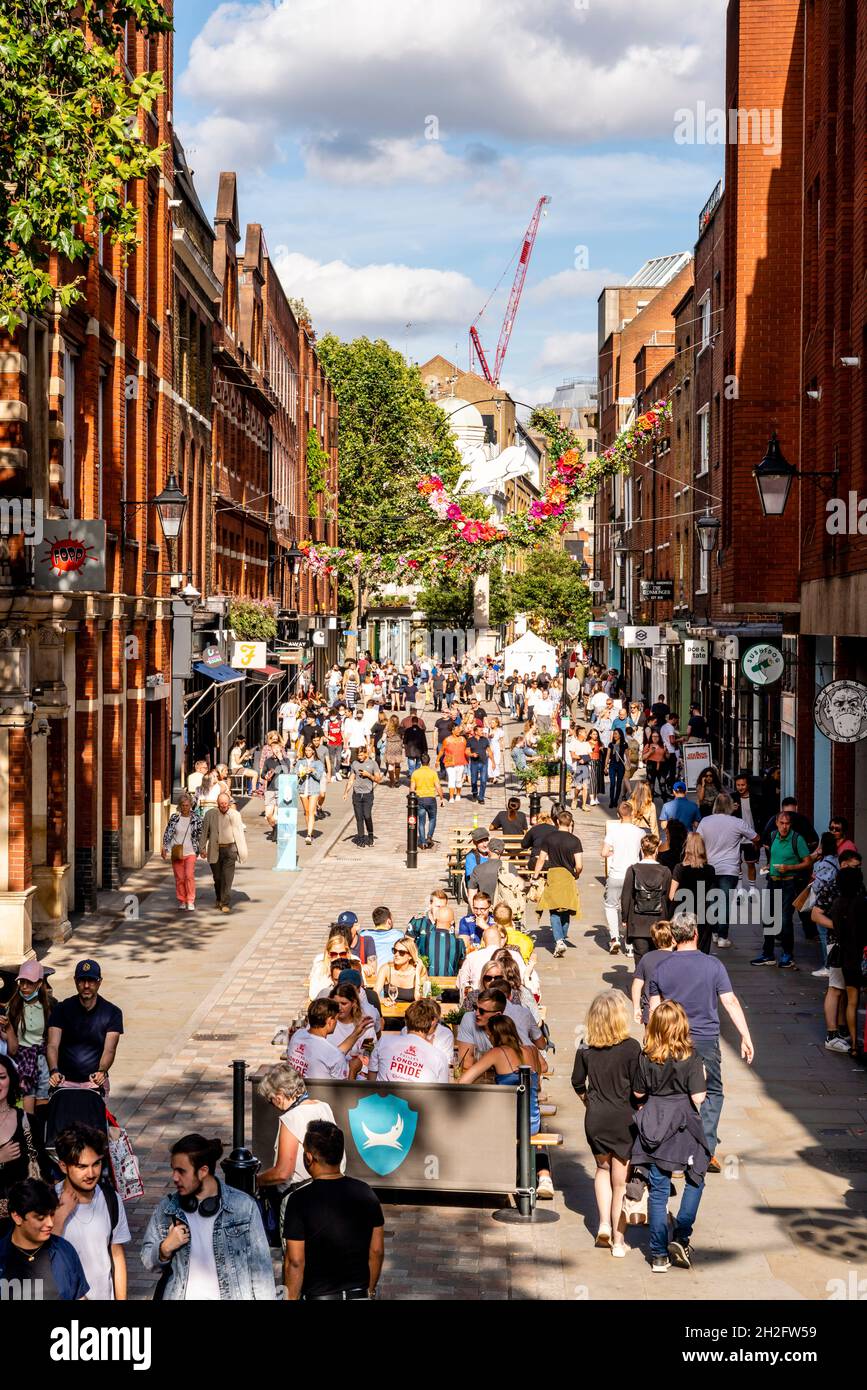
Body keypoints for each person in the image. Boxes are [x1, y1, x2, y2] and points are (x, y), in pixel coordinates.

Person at [649, 912, 755, 1171]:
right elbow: (729, 1001)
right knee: (712, 1092)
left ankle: (672, 1150)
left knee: (674, 1092)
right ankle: (704, 1151)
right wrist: (745, 1035)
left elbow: (653, 1011)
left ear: (673, 937)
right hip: (706, 1039)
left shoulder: (660, 968)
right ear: (696, 934)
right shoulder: (713, 966)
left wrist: (651, 1043)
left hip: (672, 1039)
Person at [141, 1134, 274, 1300]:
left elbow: (262, 1272)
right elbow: (147, 1260)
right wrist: (165, 1248)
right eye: (173, 1170)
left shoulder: (243, 1207)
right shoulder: (168, 1209)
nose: (174, 1177)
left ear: (203, 1171)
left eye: (181, 1171)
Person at [632, 1002, 709, 1273]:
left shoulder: (646, 1056)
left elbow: (639, 1094)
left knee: (658, 1189)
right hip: (683, 1123)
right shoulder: (691, 1056)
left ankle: (658, 1255)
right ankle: (682, 1235)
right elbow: (698, 1097)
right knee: (696, 1176)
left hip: (654, 1121)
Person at [571, 991, 641, 1254]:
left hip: (596, 1118)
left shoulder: (585, 1046)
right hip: (624, 1119)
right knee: (620, 1182)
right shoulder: (632, 1047)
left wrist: (589, 1102)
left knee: (601, 1170)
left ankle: (602, 1225)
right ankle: (619, 1240)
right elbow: (639, 1087)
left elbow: (577, 1082)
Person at [283, 1121, 384, 1301]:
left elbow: (295, 1261)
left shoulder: (299, 1200)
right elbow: (376, 1251)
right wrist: (369, 1291)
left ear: (308, 1157)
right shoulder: (366, 1192)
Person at [256, 1065, 343, 1227]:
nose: (272, 1105)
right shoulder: (324, 1107)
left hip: (301, 1198)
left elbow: (283, 1172)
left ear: (280, 1096)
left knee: (295, 1251)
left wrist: (257, 1180)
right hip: (333, 1193)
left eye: (270, 1100)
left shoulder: (291, 1118)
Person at [52, 1124, 129, 1300]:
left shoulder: (111, 1199)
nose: (91, 1173)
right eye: (81, 1166)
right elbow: (41, 1256)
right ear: (63, 1166)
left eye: (96, 1164)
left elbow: (117, 1255)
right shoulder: (48, 1201)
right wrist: (61, 1215)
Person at [812, 858, 867, 1058]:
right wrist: (840, 927)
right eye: (853, 867)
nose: (856, 871)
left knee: (844, 991)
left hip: (851, 947)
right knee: (836, 989)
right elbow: (816, 915)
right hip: (839, 946)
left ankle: (843, 1031)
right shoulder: (833, 890)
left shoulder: (858, 890)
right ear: (843, 866)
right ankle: (832, 1034)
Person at [0, 1177, 89, 1299]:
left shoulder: (64, 1250)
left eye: (52, 1215)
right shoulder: (2, 1255)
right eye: (41, 1218)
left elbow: (79, 1296)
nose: (50, 1223)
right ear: (17, 1217)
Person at [46, 959, 123, 1094]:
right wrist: (54, 1070)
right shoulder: (61, 1009)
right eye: (82, 980)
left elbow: (110, 1049)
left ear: (99, 982)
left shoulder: (112, 1013)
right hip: (64, 1082)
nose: (86, 985)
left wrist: (102, 1071)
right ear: (75, 981)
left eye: (91, 980)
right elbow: (52, 1044)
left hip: (94, 1082)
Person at [696, 793, 760, 947]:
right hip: (729, 868)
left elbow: (697, 840)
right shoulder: (737, 822)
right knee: (724, 901)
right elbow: (756, 837)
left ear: (715, 805)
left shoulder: (705, 821)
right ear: (731, 806)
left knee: (712, 901)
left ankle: (714, 932)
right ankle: (723, 937)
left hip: (709, 867)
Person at [752, 809, 814, 968]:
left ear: (790, 825)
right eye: (782, 823)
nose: (784, 827)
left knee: (785, 920)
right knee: (768, 918)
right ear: (776, 823)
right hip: (773, 881)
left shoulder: (797, 839)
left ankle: (788, 955)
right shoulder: (773, 836)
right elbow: (773, 855)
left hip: (788, 882)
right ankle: (768, 954)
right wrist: (770, 866)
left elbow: (807, 861)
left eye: (787, 824)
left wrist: (790, 867)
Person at [0, 1053, 48, 1229]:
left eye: (2, 1077)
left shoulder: (27, 1122)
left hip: (22, 1222)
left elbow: (42, 1168)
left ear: (11, 1080)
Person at [2, 959, 54, 1119]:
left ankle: (41, 1140)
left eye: (29, 983)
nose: (24, 987)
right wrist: (7, 1028)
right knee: (27, 1109)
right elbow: (9, 1041)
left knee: (44, 1105)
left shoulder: (48, 1007)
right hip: (22, 1060)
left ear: (39, 983)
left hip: (42, 1059)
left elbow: (52, 1036)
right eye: (22, 982)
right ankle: (29, 1141)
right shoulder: (14, 1006)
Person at [455, 987, 545, 1072]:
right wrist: (501, 1063)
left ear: (497, 1014)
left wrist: (492, 1062)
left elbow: (542, 1065)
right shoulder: (469, 1018)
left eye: (482, 1011)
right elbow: (465, 1061)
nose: (477, 1013)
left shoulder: (509, 1025)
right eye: (475, 1008)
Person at [533, 810, 583, 958]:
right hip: (568, 876)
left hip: (553, 875)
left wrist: (535, 876)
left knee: (554, 909)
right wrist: (576, 874)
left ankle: (559, 940)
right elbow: (579, 865)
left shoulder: (549, 838)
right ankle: (562, 937)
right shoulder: (575, 840)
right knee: (566, 909)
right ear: (571, 823)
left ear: (557, 822)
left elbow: (541, 859)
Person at [600, 802, 646, 955]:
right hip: (633, 874)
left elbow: (604, 852)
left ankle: (614, 938)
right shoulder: (640, 832)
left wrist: (613, 852)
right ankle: (630, 944)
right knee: (632, 908)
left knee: (611, 906)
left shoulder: (613, 831)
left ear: (618, 815)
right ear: (632, 813)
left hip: (616, 873)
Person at [368, 999, 451, 1083]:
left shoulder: (384, 1041)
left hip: (382, 1095)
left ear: (406, 1020)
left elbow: (371, 1081)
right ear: (432, 1022)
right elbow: (442, 1090)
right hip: (417, 1096)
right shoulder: (439, 1057)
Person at [620, 836, 671, 961]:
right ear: (657, 850)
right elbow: (668, 897)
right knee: (658, 959)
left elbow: (626, 896)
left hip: (637, 922)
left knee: (641, 959)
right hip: (659, 921)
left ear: (642, 850)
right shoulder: (665, 871)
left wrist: (625, 918)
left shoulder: (632, 870)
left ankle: (643, 979)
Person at [198, 792, 248, 912]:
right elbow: (204, 832)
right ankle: (219, 897)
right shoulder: (210, 814)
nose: (224, 806)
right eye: (221, 804)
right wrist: (202, 848)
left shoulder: (235, 815)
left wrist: (242, 851)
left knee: (228, 878)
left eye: (226, 803)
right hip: (215, 849)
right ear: (217, 803)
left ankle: (225, 902)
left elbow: (240, 834)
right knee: (218, 877)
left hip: (230, 849)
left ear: (229, 803)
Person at [670, 832, 718, 953]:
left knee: (682, 947)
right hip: (704, 914)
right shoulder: (710, 870)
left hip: (683, 914)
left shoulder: (679, 868)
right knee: (702, 949)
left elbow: (671, 896)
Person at [287, 1000, 358, 1079]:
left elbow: (329, 1054)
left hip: (294, 1087)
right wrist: (353, 1070)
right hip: (318, 1091)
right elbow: (344, 1090)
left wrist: (357, 1033)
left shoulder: (297, 1035)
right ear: (330, 1021)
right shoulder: (334, 1055)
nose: (336, 1023)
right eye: (336, 1020)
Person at [161, 791, 202, 911]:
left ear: (191, 805)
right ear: (180, 806)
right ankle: (182, 900)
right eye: (183, 805)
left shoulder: (196, 819)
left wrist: (203, 848)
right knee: (179, 878)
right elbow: (168, 833)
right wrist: (164, 847)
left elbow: (201, 834)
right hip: (177, 851)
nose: (185, 808)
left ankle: (190, 900)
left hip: (191, 852)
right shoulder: (175, 818)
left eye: (187, 805)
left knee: (189, 876)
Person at [631, 920, 675, 1024]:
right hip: (672, 1013)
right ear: (673, 938)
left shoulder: (647, 958)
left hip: (650, 1011)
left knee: (650, 1039)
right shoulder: (678, 959)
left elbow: (636, 986)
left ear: (654, 940)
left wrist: (636, 1008)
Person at [411, 905, 466, 978]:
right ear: (452, 922)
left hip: (428, 983)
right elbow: (462, 963)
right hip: (450, 985)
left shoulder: (423, 938)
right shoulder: (459, 942)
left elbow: (416, 957)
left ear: (436, 919)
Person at [375, 936, 430, 1004]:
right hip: (391, 1011)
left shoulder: (420, 970)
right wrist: (383, 1000)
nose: (396, 955)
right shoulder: (386, 969)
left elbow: (420, 1000)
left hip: (413, 1012)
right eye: (394, 951)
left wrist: (417, 974)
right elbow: (375, 995)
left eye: (401, 952)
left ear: (410, 956)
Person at [261, 733, 293, 840]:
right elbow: (263, 773)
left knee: (278, 814)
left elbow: (287, 771)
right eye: (273, 748)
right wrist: (266, 776)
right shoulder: (268, 761)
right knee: (269, 815)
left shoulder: (286, 760)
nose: (275, 750)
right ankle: (275, 827)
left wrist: (280, 758)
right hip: (270, 789)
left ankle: (279, 831)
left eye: (277, 748)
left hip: (281, 789)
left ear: (280, 748)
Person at [410, 753, 444, 850]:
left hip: (419, 799)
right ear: (429, 762)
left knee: (421, 822)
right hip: (431, 799)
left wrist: (412, 800)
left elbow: (412, 788)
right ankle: (429, 836)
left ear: (420, 762)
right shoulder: (433, 773)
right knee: (432, 819)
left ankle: (423, 842)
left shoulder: (415, 773)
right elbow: (438, 786)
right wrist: (441, 798)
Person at [468, 836, 508, 902]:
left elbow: (471, 896)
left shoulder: (478, 869)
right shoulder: (509, 867)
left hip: (484, 906)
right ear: (502, 852)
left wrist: (476, 911)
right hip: (502, 907)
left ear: (488, 849)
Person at [438, 723, 468, 802]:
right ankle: (451, 797)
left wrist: (468, 759)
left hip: (460, 761)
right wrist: (437, 760)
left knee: (458, 779)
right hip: (449, 761)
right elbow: (441, 751)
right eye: (457, 729)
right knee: (451, 778)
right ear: (452, 730)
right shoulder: (447, 740)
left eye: (459, 729)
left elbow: (466, 751)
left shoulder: (463, 739)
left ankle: (458, 794)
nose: (459, 731)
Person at [640, 729, 668, 799]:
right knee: (651, 785)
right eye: (653, 736)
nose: (655, 738)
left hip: (662, 765)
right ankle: (650, 804)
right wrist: (650, 752)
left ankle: (665, 803)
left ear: (659, 737)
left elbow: (667, 757)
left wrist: (666, 751)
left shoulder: (662, 745)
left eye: (657, 736)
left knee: (662, 784)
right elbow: (643, 758)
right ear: (651, 737)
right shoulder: (648, 745)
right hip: (651, 765)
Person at [604, 728, 628, 807]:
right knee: (612, 783)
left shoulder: (624, 744)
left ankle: (616, 800)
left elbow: (627, 756)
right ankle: (611, 800)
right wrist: (605, 766)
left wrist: (629, 764)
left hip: (621, 765)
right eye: (614, 734)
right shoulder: (611, 744)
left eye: (616, 734)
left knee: (619, 784)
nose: (614, 735)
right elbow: (607, 756)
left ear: (620, 735)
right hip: (612, 765)